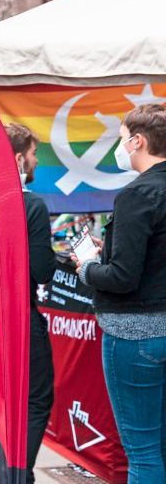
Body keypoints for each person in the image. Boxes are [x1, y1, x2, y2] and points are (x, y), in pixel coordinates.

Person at [75, 104, 166, 482]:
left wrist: (87, 267)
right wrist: (111, 250)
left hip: (136, 333)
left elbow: (122, 277)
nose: (120, 146)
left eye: (121, 137)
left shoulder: (138, 193)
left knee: (143, 452)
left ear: (138, 141)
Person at [5, 124, 55, 483]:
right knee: (35, 398)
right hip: (20, 318)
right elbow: (41, 270)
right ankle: (19, 473)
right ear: (18, 158)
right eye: (33, 153)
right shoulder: (30, 205)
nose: (35, 160)